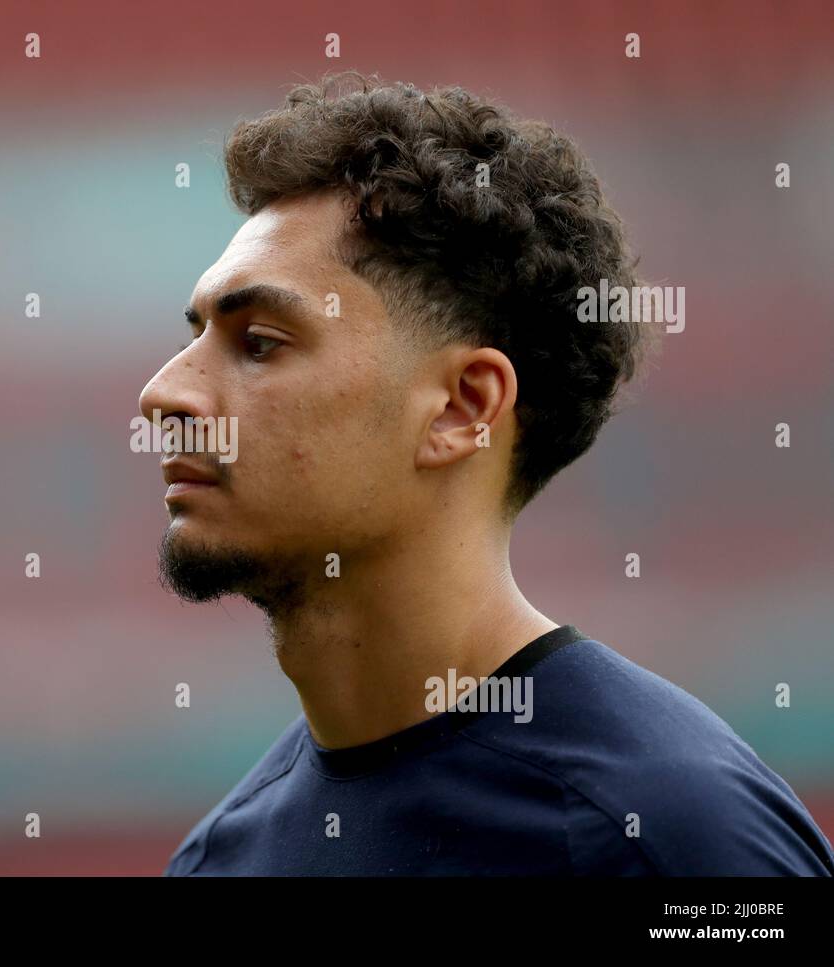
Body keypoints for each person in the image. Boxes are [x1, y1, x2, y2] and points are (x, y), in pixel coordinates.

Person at [138, 72, 834, 875]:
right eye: (194, 337)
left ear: (461, 408)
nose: (164, 393)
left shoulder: (670, 836)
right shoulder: (219, 861)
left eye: (259, 341)